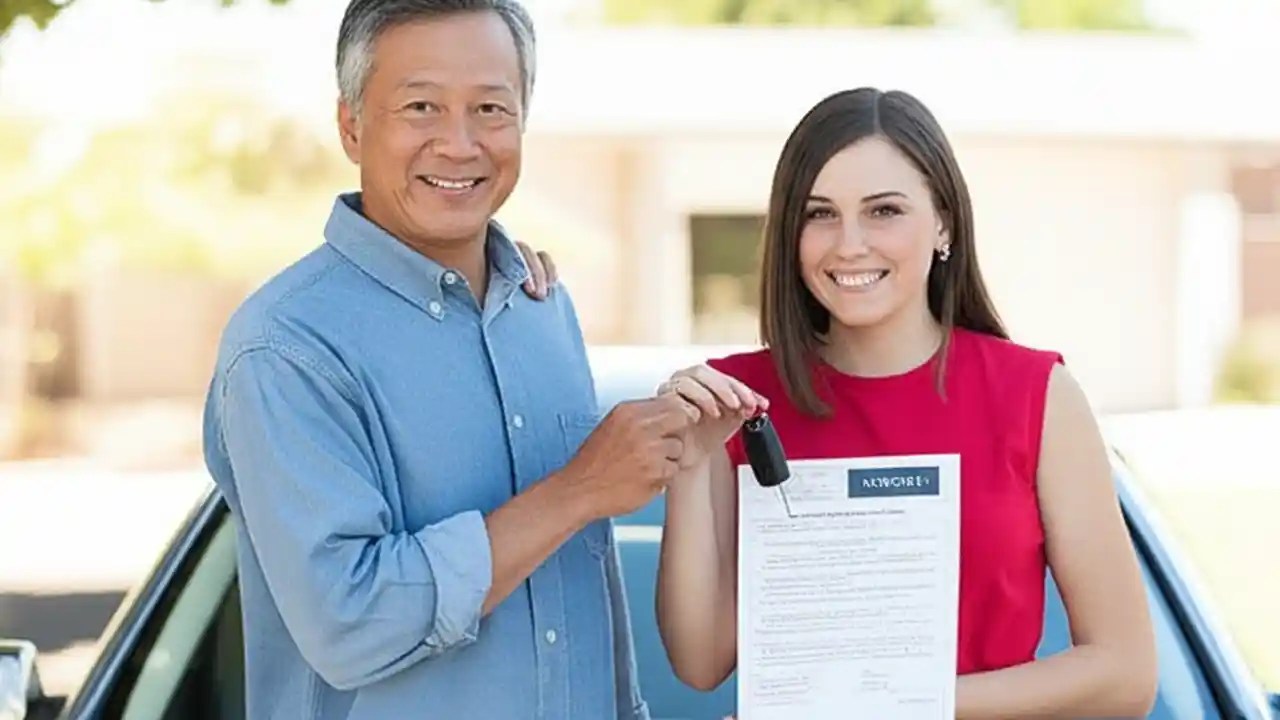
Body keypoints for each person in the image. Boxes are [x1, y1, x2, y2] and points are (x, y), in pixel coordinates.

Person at [202, 1, 689, 717]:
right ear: (351, 126)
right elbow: (351, 621)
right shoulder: (287, 347)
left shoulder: (539, 307)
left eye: (491, 108)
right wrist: (581, 489)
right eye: (421, 106)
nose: (459, 144)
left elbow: (584, 596)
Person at [653, 87, 1159, 719]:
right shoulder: (737, 402)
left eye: (883, 210)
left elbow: (1126, 675)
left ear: (943, 221)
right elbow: (700, 663)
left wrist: (887, 708)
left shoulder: (1036, 397)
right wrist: (690, 459)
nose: (850, 244)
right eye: (819, 214)